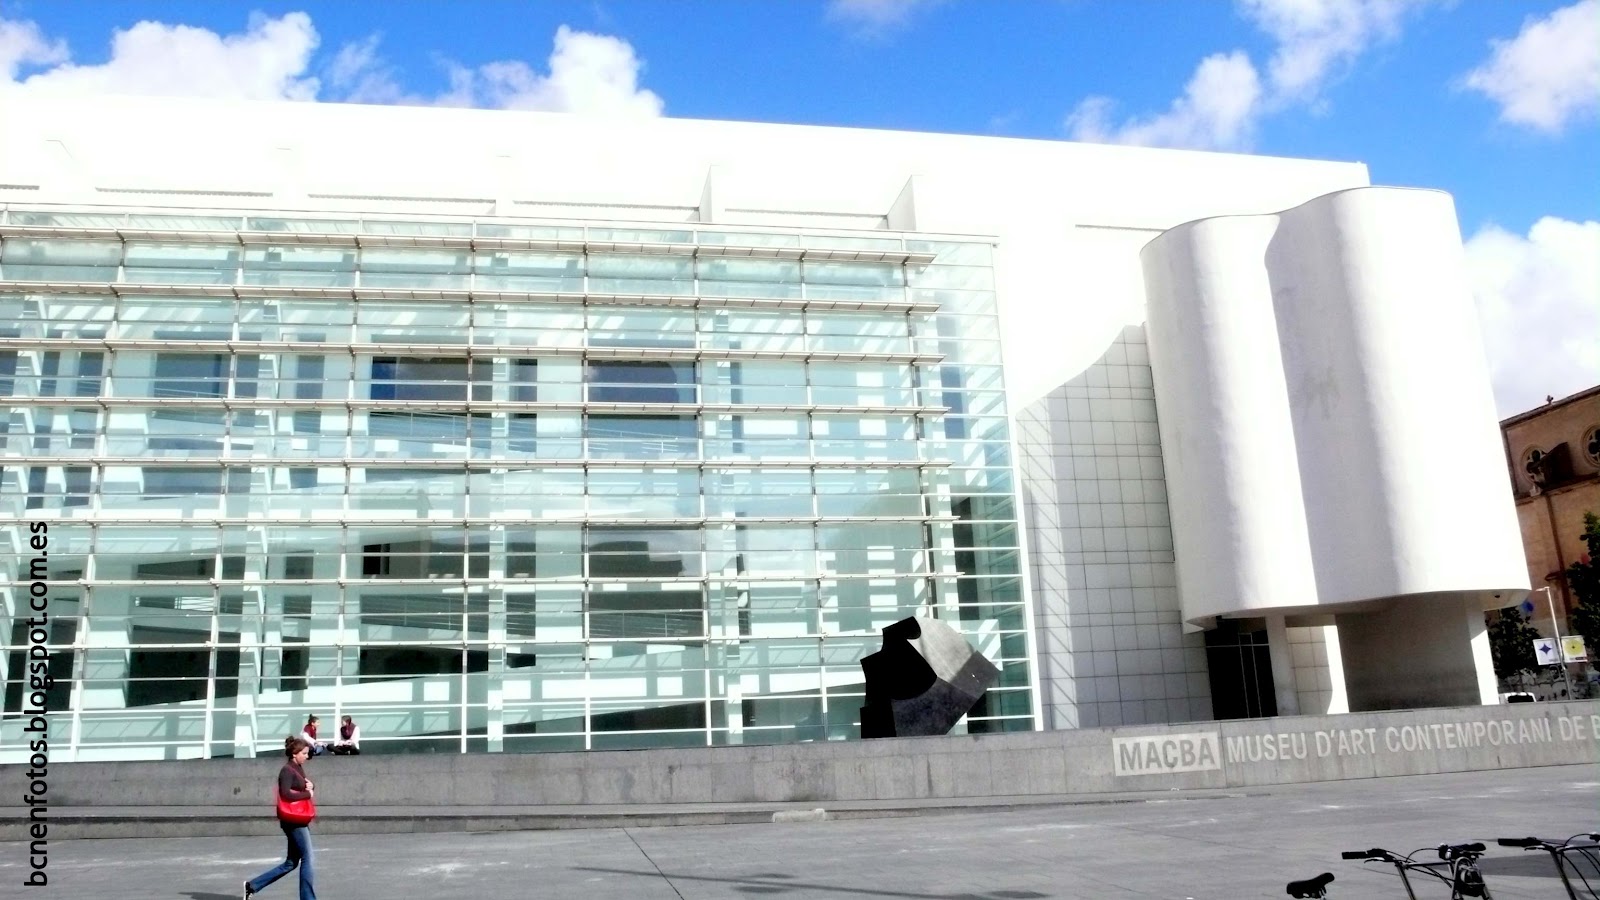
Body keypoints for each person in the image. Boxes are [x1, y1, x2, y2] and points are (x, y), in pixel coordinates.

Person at [244, 736, 318, 899]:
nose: (307, 756)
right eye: (304, 753)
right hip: (293, 821)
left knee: (291, 863)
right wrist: (308, 793)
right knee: (308, 858)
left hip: (297, 818)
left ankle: (253, 886)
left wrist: (311, 786)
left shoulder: (297, 768)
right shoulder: (287, 770)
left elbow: (303, 786)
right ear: (294, 754)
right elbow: (285, 793)